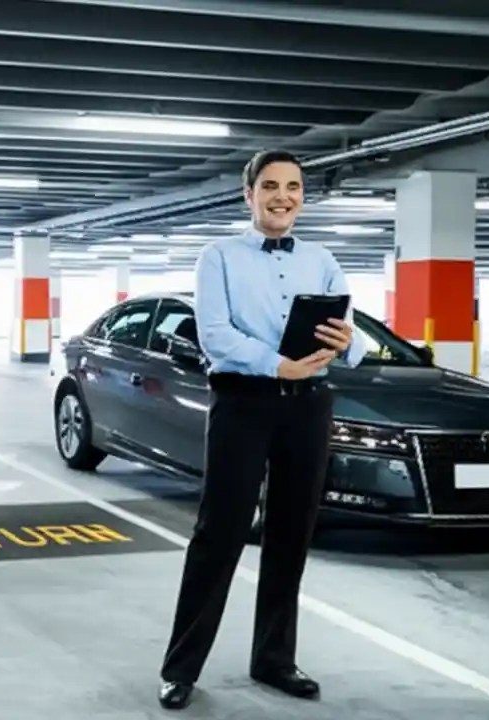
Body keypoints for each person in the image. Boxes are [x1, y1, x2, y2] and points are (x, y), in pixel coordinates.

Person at [156, 149, 367, 710]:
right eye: (270, 185)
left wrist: (348, 345)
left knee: (291, 534)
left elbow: (350, 332)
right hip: (244, 403)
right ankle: (181, 667)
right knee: (219, 533)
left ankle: (274, 659)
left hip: (308, 406)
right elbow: (216, 336)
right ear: (248, 194)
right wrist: (277, 364)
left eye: (293, 187)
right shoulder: (218, 256)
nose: (282, 196)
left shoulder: (321, 258)